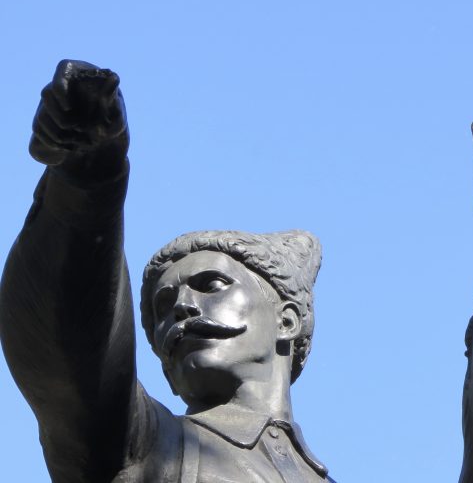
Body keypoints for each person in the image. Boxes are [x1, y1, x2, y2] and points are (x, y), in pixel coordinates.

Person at [0, 60, 334, 482]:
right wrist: (90, 175)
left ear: (287, 320)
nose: (181, 309)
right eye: (162, 306)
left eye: (211, 285)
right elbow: (70, 362)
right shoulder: (152, 447)